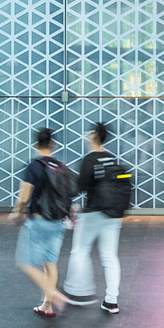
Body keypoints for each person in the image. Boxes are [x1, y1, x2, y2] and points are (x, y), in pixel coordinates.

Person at [61, 122, 129, 314]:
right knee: (110, 256)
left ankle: (76, 291)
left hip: (94, 213)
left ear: (94, 136)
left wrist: (70, 205)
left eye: (89, 133)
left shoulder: (90, 159)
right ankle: (111, 300)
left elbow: (79, 186)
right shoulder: (111, 159)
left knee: (80, 250)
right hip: (113, 214)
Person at [11, 128, 71, 318]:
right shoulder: (60, 166)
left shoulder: (34, 166)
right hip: (58, 222)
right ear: (52, 144)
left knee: (26, 262)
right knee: (50, 263)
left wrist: (16, 211)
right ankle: (47, 305)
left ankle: (55, 295)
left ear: (36, 144)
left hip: (39, 221)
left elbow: (24, 196)